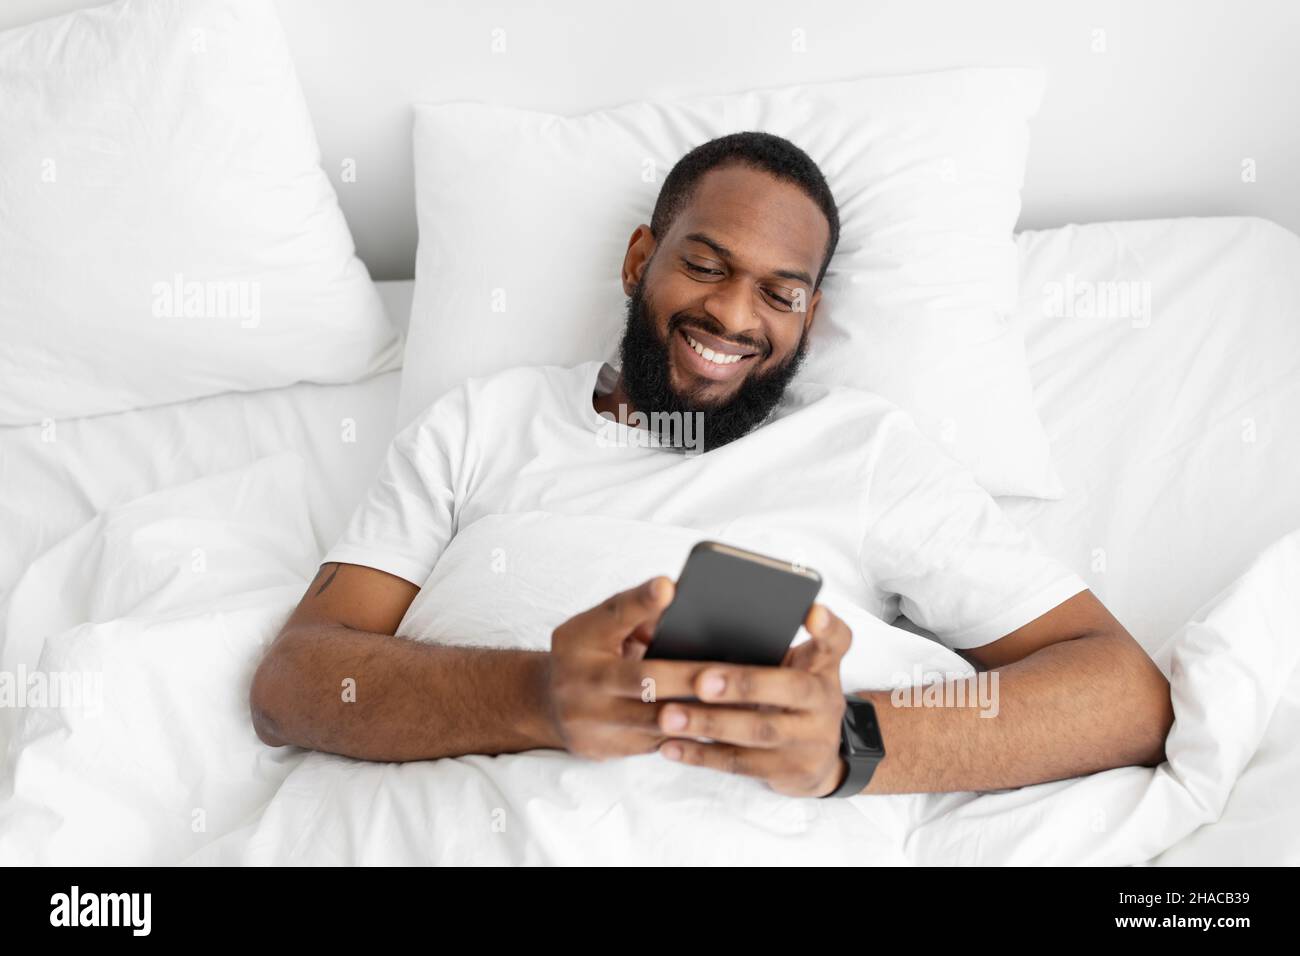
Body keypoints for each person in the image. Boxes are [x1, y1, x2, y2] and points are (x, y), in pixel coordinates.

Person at [249, 132, 1172, 798]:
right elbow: (297, 683)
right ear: (640, 260)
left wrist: (848, 743)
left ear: (808, 319)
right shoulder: (482, 423)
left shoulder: (865, 451)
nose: (734, 316)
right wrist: (537, 697)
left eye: (780, 292)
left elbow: (1124, 695)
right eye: (705, 265)